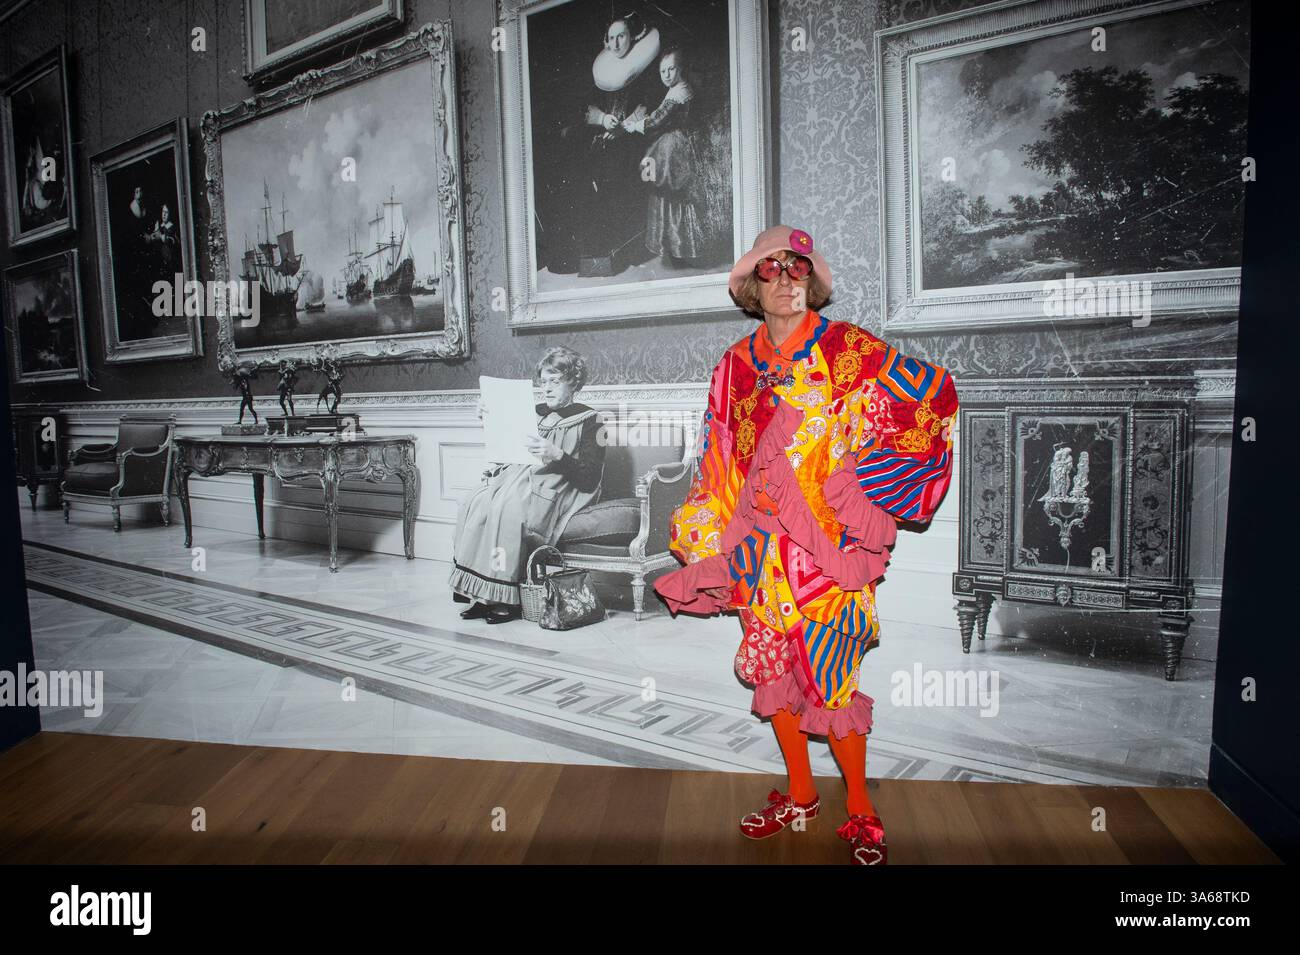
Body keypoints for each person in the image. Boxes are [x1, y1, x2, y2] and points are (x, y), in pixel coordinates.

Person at [652, 225, 959, 865]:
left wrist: (861, 474)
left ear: (813, 282)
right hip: (759, 552)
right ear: (750, 287)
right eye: (771, 269)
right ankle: (799, 794)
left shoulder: (851, 349)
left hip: (826, 552)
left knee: (832, 680)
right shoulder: (734, 366)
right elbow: (716, 455)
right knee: (772, 670)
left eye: (798, 268)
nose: (786, 278)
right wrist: (711, 535)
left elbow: (930, 399)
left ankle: (860, 807)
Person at [450, 346, 606, 624]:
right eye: (543, 381)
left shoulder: (592, 420)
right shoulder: (534, 412)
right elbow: (506, 444)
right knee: (477, 501)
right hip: (521, 476)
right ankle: (482, 594)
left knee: (509, 509)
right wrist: (487, 417)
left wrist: (556, 454)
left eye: (554, 381)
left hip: (561, 486)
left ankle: (503, 599)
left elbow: (590, 477)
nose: (546, 389)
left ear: (573, 382)